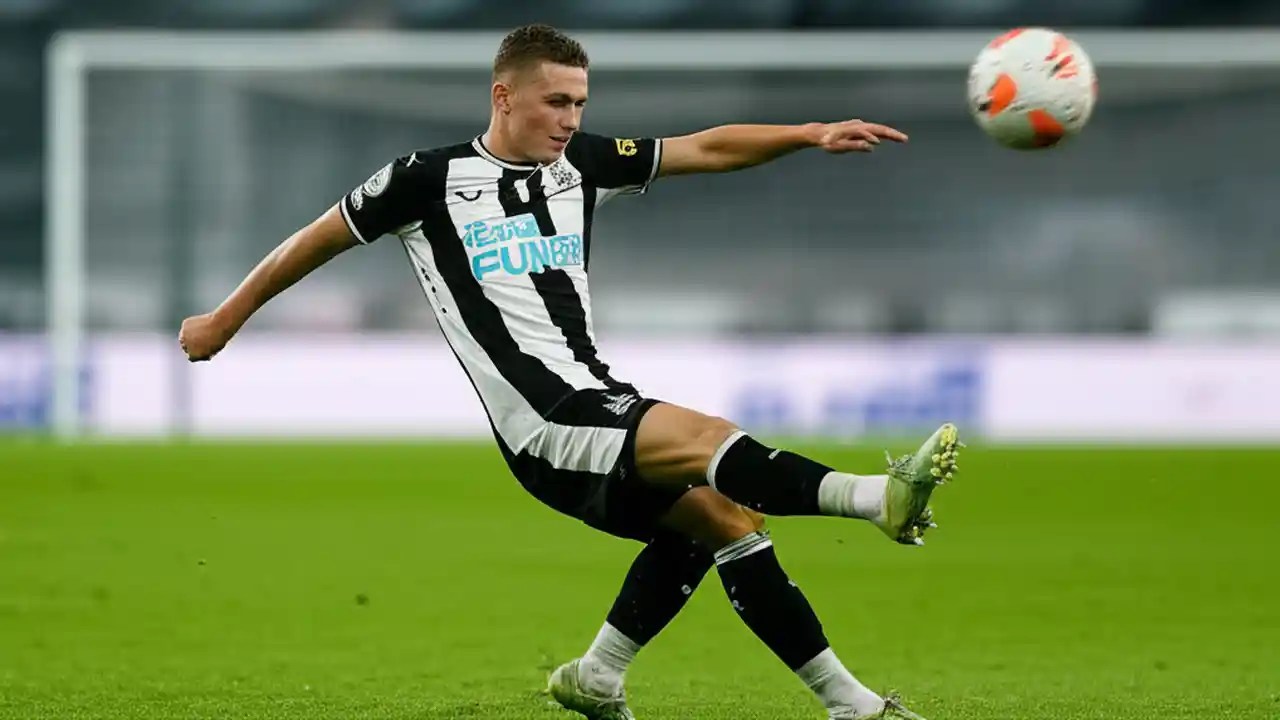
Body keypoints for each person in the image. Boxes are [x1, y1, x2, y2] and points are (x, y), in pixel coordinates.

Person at [178, 24, 960, 720]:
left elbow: (705, 147)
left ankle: (632, 680)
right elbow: (313, 240)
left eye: (580, 102)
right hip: (543, 421)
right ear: (503, 96)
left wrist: (808, 133)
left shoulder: (582, 164)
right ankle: (872, 500)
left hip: (594, 397)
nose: (572, 119)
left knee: (725, 523)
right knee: (706, 439)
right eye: (556, 102)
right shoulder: (426, 180)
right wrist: (225, 318)